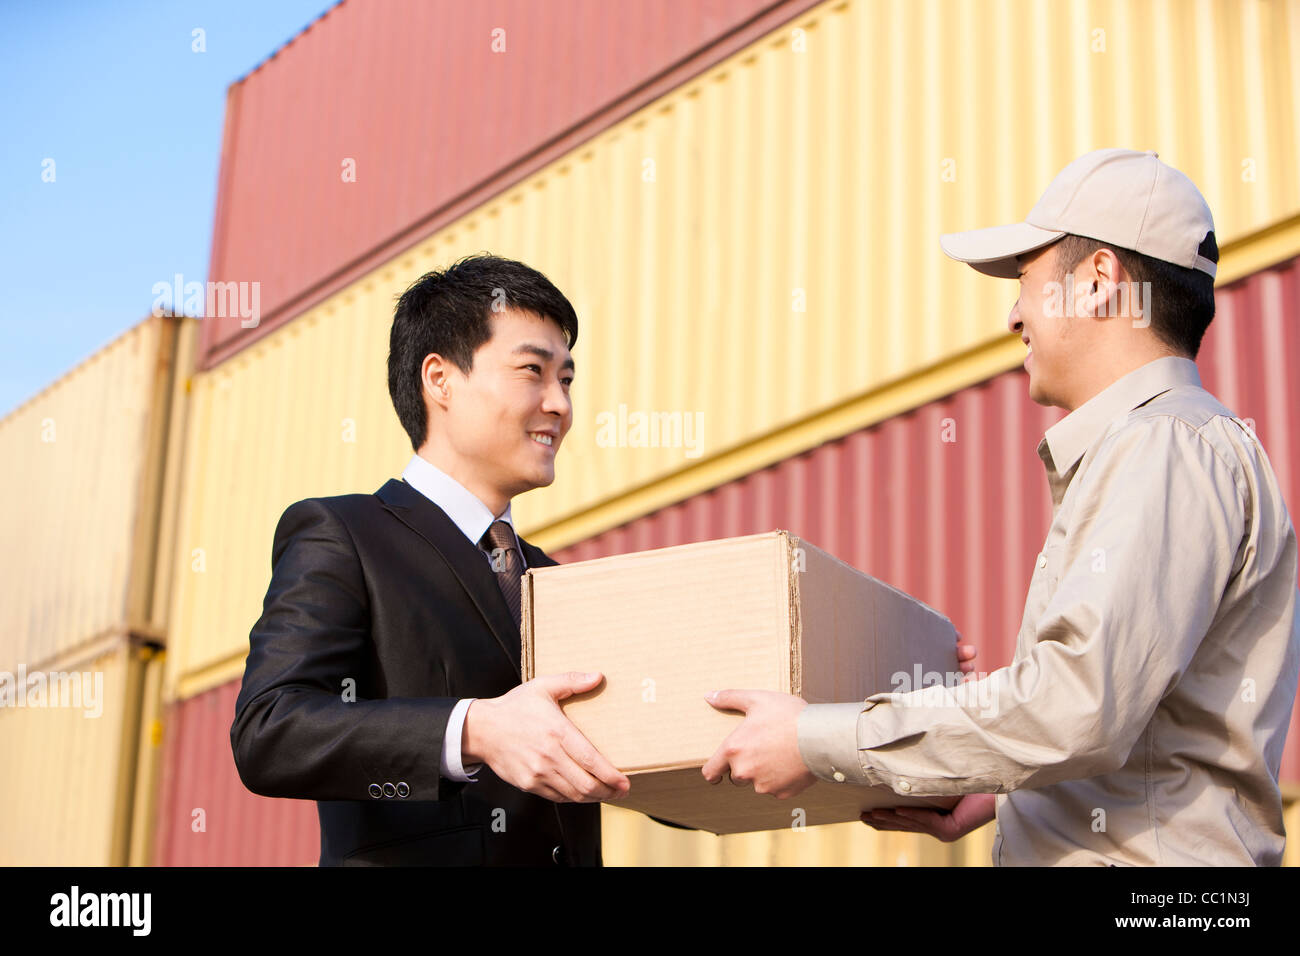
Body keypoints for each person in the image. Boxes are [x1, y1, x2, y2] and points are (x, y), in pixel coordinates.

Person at [700, 148, 1300, 865]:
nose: (1014, 315)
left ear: (1099, 281)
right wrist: (1007, 787)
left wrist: (813, 739)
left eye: (1025, 283)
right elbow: (1128, 714)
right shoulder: (1181, 444)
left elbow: (1077, 705)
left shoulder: (1161, 446)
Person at [231, 253, 630, 865]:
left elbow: (626, 750)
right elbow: (270, 731)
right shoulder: (344, 535)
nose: (559, 404)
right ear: (439, 380)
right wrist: (472, 730)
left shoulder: (553, 579)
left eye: (567, 380)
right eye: (533, 371)